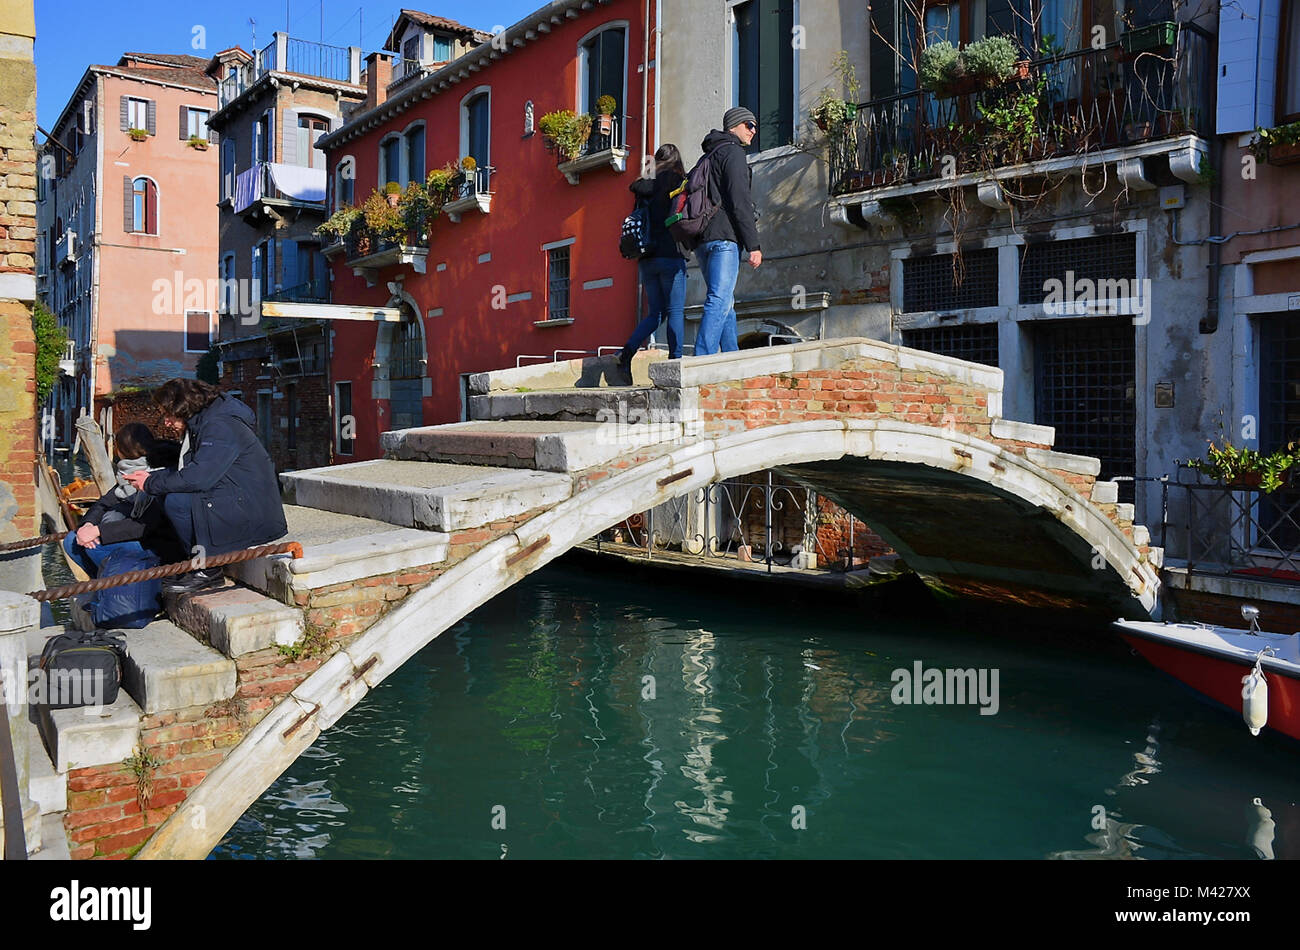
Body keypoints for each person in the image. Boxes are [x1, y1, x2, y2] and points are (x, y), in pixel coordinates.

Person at [123, 379, 287, 594]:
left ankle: (208, 570)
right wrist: (152, 477)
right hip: (235, 495)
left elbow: (199, 477)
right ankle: (192, 560)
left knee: (177, 501)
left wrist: (151, 482)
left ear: (182, 407)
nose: (166, 422)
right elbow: (195, 470)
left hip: (254, 511)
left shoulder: (220, 425)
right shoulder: (206, 421)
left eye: (168, 414)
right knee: (167, 494)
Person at [63, 423, 185, 577]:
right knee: (72, 540)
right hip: (136, 535)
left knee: (92, 546)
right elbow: (104, 502)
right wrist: (87, 525)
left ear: (119, 451)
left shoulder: (162, 474)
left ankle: (115, 589)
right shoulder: (127, 473)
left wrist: (97, 531)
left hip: (157, 543)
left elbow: (147, 524)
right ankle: (105, 587)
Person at [694, 107, 762, 356]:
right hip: (724, 238)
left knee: (725, 301)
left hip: (702, 239)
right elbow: (739, 200)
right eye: (749, 125)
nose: (753, 131)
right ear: (734, 125)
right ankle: (702, 359)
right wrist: (753, 244)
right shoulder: (732, 152)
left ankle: (732, 354)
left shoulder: (708, 155)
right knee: (719, 299)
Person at [615, 144, 688, 375]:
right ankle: (675, 361)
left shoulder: (643, 186)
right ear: (676, 160)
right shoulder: (675, 180)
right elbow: (679, 215)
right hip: (669, 253)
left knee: (656, 312)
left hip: (646, 257)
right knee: (675, 309)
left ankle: (626, 353)